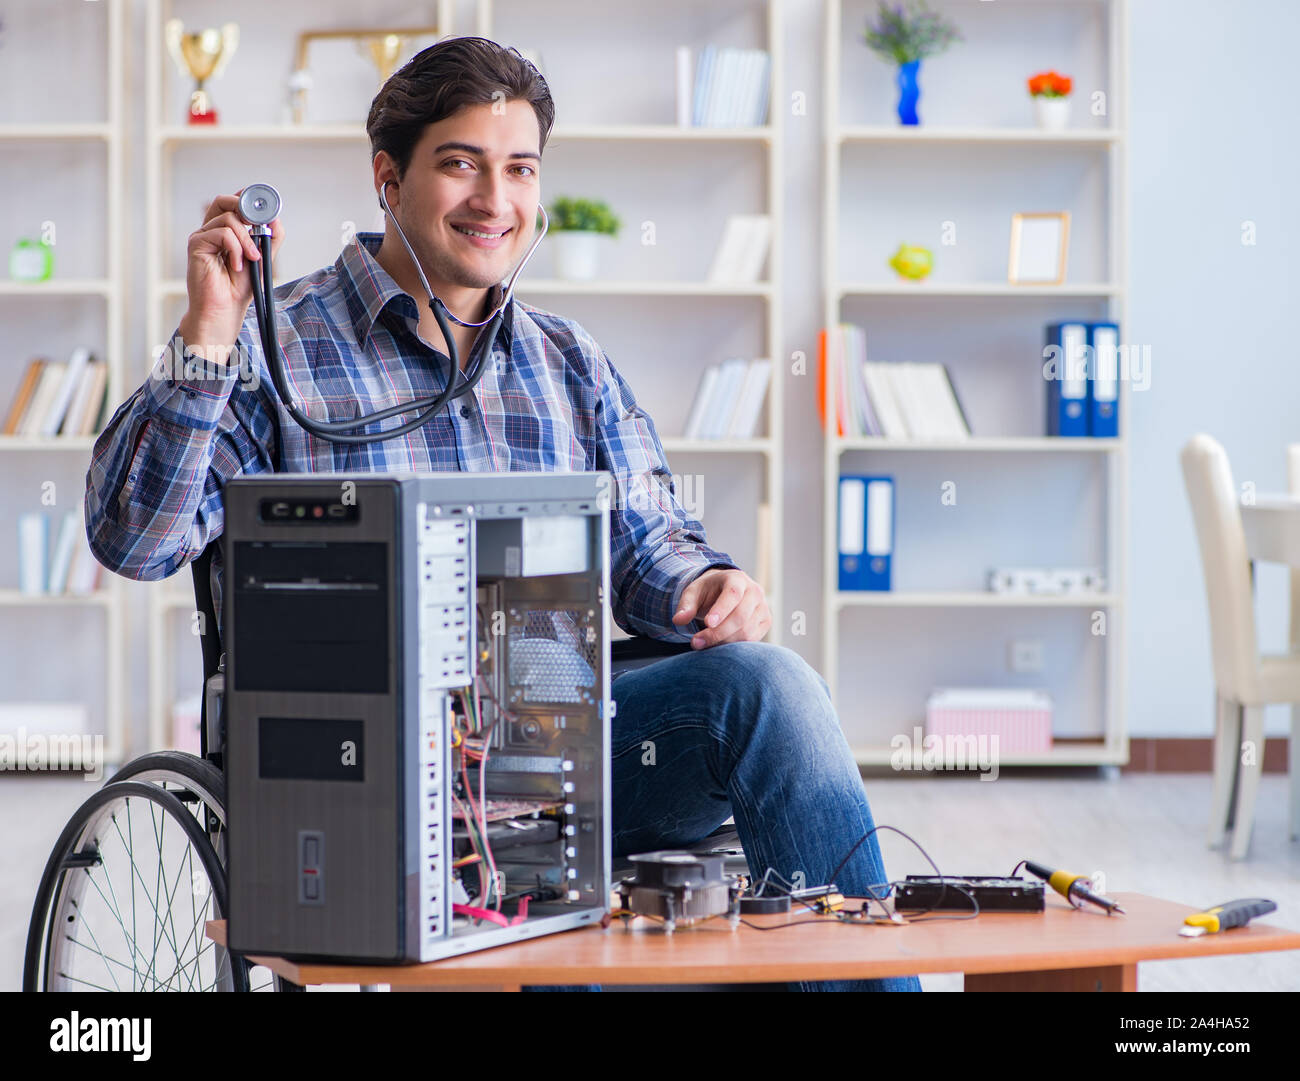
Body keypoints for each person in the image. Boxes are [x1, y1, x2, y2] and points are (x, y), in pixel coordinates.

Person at [85, 36, 919, 993]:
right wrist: (205, 339)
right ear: (387, 178)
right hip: (361, 776)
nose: (495, 199)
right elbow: (136, 542)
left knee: (769, 685)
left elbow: (650, 549)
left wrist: (710, 585)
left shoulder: (568, 359)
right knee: (543, 912)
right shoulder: (271, 346)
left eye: (519, 168)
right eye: (460, 164)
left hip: (557, 751)